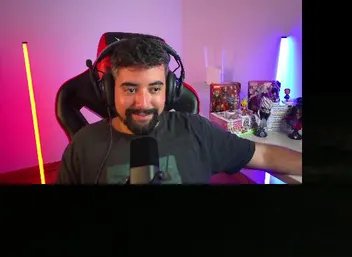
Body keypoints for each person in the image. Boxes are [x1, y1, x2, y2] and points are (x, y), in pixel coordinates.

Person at [56, 35, 302, 184]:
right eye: (130, 89)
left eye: (155, 88)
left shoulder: (197, 131)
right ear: (109, 90)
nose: (143, 103)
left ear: (171, 90)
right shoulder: (82, 146)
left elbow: (264, 156)